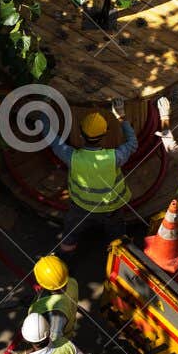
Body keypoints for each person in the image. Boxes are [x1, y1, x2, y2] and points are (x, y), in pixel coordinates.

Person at [51, 99, 137, 254]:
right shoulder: (115, 157)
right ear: (105, 134)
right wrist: (121, 117)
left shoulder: (71, 156)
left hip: (80, 207)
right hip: (111, 208)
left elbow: (53, 140)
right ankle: (119, 256)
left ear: (80, 133)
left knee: (70, 233)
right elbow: (132, 143)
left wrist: (43, 116)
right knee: (117, 236)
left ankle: (64, 259)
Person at [28, 254, 79, 344]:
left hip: (63, 339)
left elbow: (54, 341)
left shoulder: (57, 314)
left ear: (41, 283)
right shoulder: (72, 282)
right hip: (69, 327)